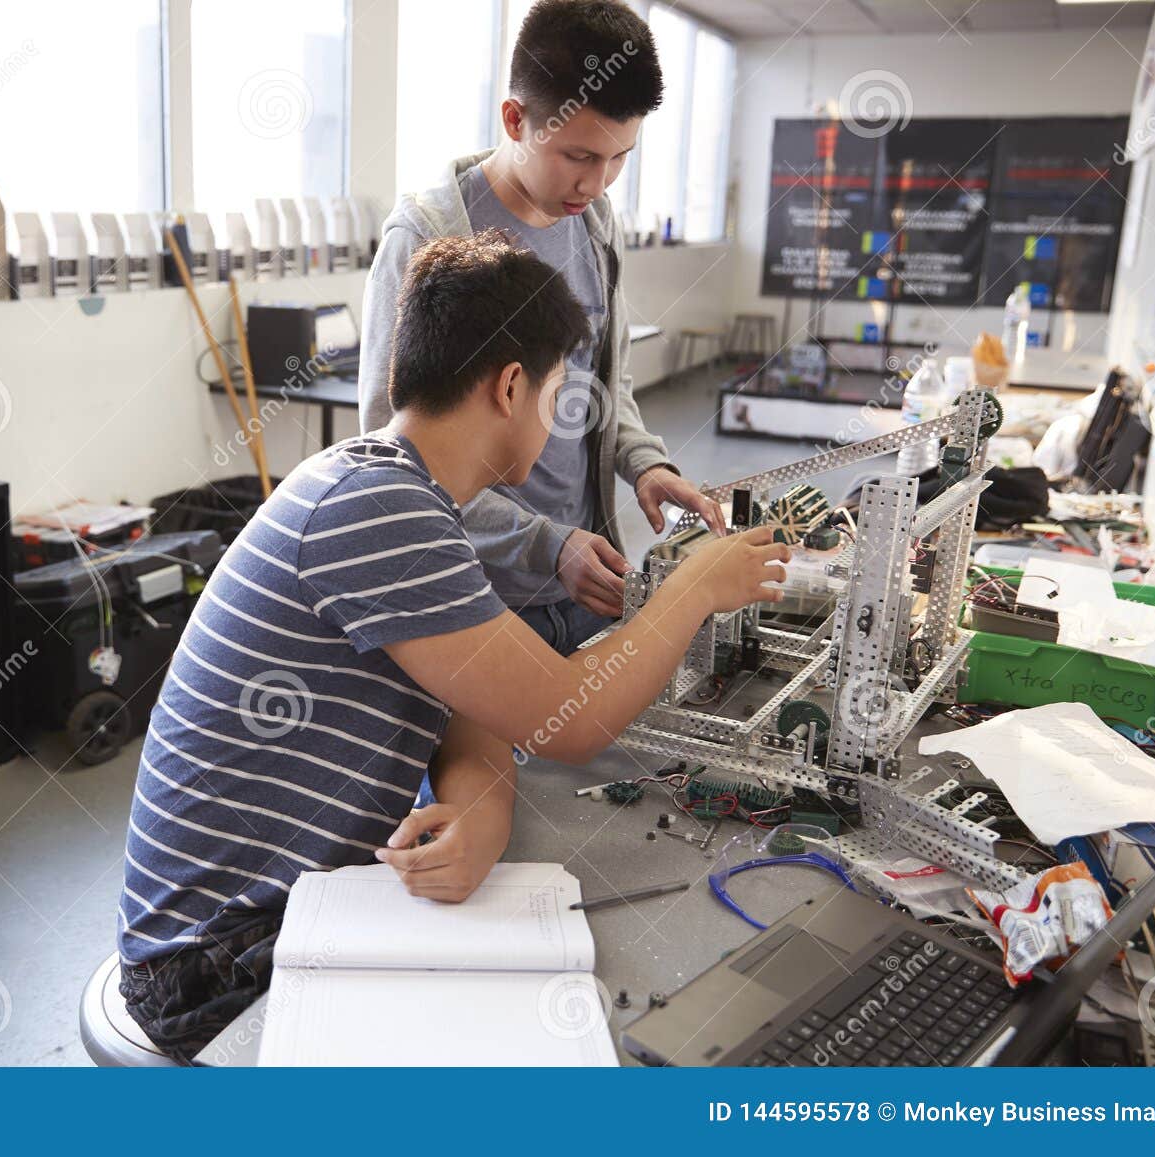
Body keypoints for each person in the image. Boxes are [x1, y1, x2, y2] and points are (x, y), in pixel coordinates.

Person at [118, 233, 787, 1063]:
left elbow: (481, 706)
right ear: (512, 387)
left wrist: (483, 807)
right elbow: (565, 720)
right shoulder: (380, 511)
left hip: (272, 915)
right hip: (212, 967)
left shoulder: (400, 492)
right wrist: (696, 587)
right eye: (555, 396)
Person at [358, 0, 726, 658]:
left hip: (585, 583)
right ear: (514, 119)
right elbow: (398, 464)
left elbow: (600, 379)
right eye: (578, 155)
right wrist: (542, 544)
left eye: (619, 158)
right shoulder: (429, 238)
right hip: (475, 601)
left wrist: (641, 461)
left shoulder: (593, 222)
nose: (597, 181)